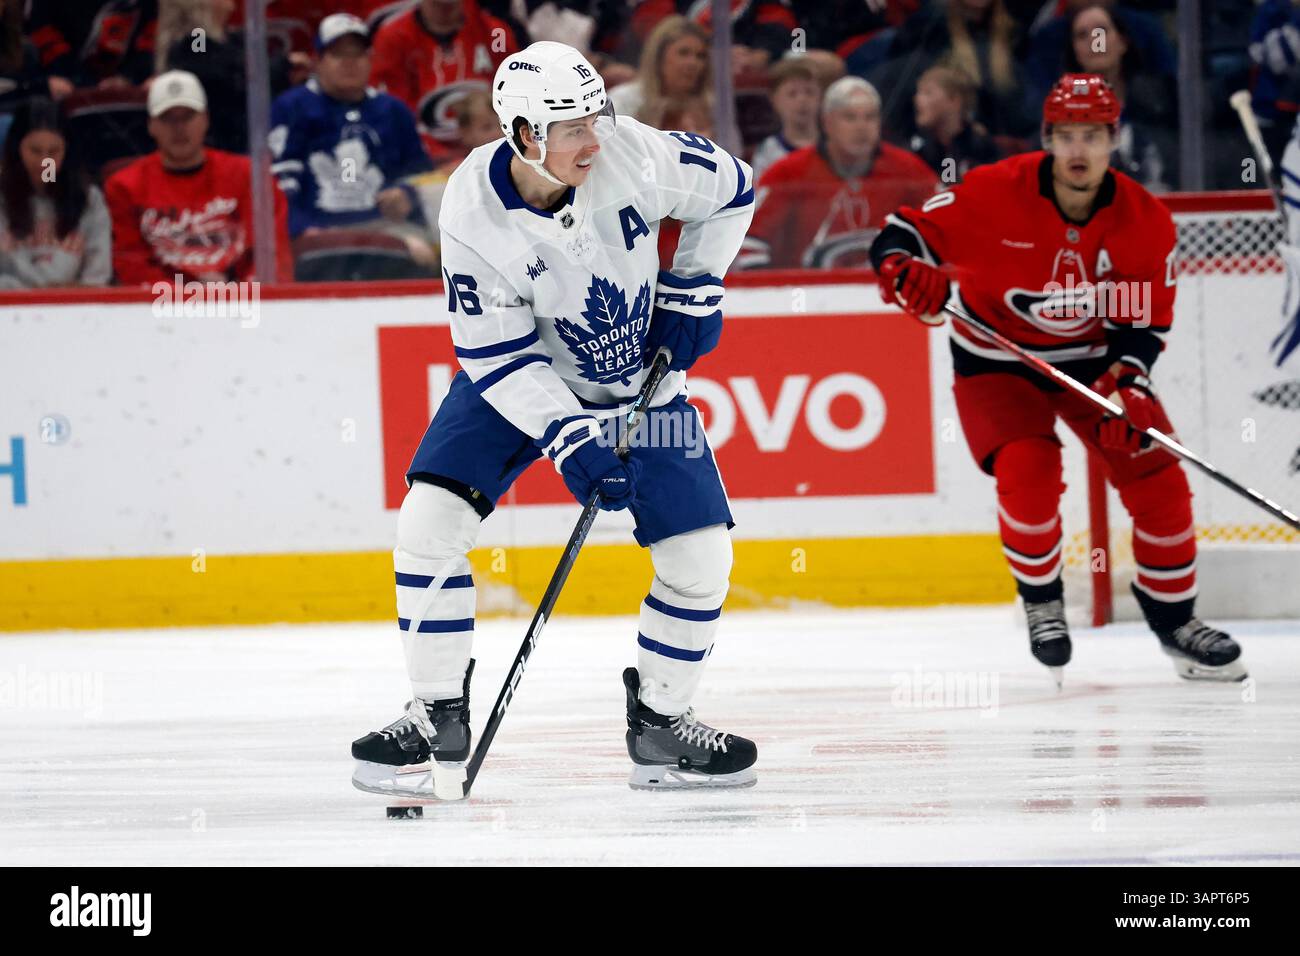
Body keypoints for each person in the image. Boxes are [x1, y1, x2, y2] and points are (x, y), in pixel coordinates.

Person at [350, 40, 759, 795]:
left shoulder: (633, 153)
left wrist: (695, 286)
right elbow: (499, 356)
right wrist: (571, 440)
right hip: (518, 380)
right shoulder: (472, 210)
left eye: (596, 118)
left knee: (701, 560)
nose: (593, 140)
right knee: (430, 519)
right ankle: (436, 713)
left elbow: (734, 187)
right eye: (573, 128)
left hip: (639, 384)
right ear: (523, 135)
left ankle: (661, 723)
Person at [868, 74, 1246, 684]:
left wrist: (1132, 382)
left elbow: (1141, 323)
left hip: (1095, 363)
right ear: (1046, 139)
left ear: (1113, 140)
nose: (1078, 150)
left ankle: (1176, 621)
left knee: (1159, 480)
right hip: (997, 359)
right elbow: (902, 232)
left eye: (1091, 137)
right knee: (1028, 470)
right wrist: (903, 269)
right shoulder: (994, 192)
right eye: (1066, 135)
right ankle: (1042, 600)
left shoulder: (1143, 220)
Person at [105, 69, 291, 284]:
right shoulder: (124, 186)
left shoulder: (250, 176)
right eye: (167, 118)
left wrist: (241, 293)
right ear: (151, 126)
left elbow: (271, 252)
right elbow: (131, 264)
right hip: (161, 302)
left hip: (242, 298)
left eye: (188, 116)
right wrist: (183, 295)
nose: (179, 128)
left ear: (205, 119)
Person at [269, 13, 434, 253]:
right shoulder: (292, 107)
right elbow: (280, 179)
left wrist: (406, 193)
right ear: (318, 61)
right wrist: (300, 228)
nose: (350, 62)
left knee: (424, 251)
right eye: (338, 54)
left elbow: (421, 172)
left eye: (358, 54)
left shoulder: (393, 110)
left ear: (370, 60)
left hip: (384, 226)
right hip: (317, 227)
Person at [740, 76, 938, 270]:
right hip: (809, 289)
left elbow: (945, 222)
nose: (862, 127)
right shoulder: (787, 172)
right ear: (827, 123)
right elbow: (749, 242)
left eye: (870, 117)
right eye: (850, 117)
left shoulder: (909, 169)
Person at [369, 0, 519, 152]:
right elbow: (393, 116)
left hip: (496, 148)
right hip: (424, 156)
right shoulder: (392, 38)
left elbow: (518, 100)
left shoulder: (496, 33)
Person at [0, 97, 111, 288]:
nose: (45, 162)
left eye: (53, 152)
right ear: (17, 149)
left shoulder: (89, 199)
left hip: (74, 304)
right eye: (35, 151)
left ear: (67, 151)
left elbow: (97, 275)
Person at [608, 15, 711, 130]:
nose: (693, 63)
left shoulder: (711, 109)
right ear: (658, 57)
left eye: (700, 56)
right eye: (683, 53)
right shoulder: (624, 100)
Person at [909, 64, 1000, 183]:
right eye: (918, 92)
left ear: (954, 100)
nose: (917, 99)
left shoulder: (980, 148)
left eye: (928, 93)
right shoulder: (917, 149)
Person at [750, 57, 822, 183]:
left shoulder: (834, 147)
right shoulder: (767, 152)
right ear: (775, 100)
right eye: (792, 94)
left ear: (820, 97)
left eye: (809, 92)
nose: (802, 100)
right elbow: (760, 191)